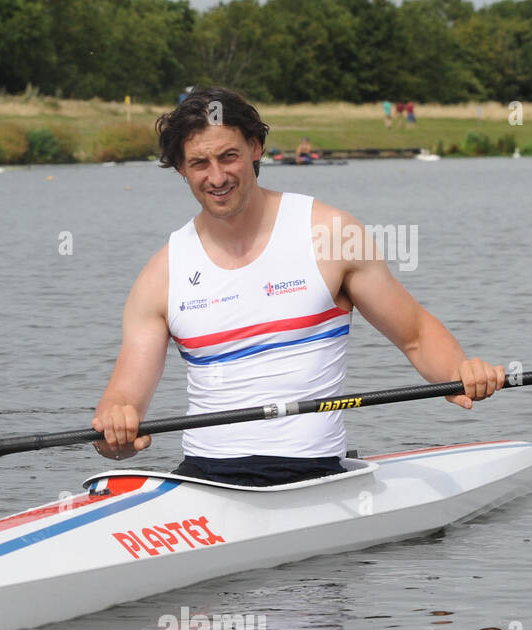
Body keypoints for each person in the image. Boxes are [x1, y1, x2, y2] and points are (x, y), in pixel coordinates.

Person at [91, 87, 502, 486]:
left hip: (313, 476)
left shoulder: (331, 234)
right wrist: (115, 431)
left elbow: (415, 335)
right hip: (205, 479)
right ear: (182, 168)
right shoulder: (162, 273)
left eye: (229, 156)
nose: (217, 177)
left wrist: (458, 372)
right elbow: (123, 398)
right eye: (200, 163)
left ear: (255, 147)